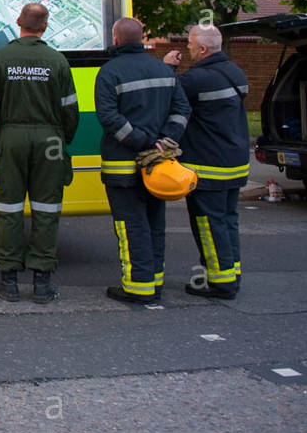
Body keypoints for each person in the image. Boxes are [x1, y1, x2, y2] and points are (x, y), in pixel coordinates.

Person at [0, 3, 79, 303]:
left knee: (9, 211)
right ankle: (43, 285)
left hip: (11, 138)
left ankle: (8, 283)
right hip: (50, 140)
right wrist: (62, 139)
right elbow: (70, 110)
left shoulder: (0, 57)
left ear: (18, 22)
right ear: (45, 27)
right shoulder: (57, 60)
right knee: (46, 211)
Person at [95, 17, 191, 304]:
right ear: (141, 39)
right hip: (158, 164)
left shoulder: (109, 72)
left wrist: (141, 140)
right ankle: (154, 281)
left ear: (115, 40)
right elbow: (182, 109)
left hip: (123, 167)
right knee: (154, 223)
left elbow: (109, 117)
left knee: (130, 225)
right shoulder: (163, 70)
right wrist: (165, 139)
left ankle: (138, 286)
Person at [163, 24, 250, 298]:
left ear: (202, 49)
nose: (187, 47)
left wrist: (168, 68)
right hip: (234, 161)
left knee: (208, 224)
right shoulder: (235, 71)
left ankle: (221, 282)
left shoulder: (196, 78)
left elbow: (167, 96)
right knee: (227, 220)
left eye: (189, 43)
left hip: (209, 165)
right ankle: (231, 271)